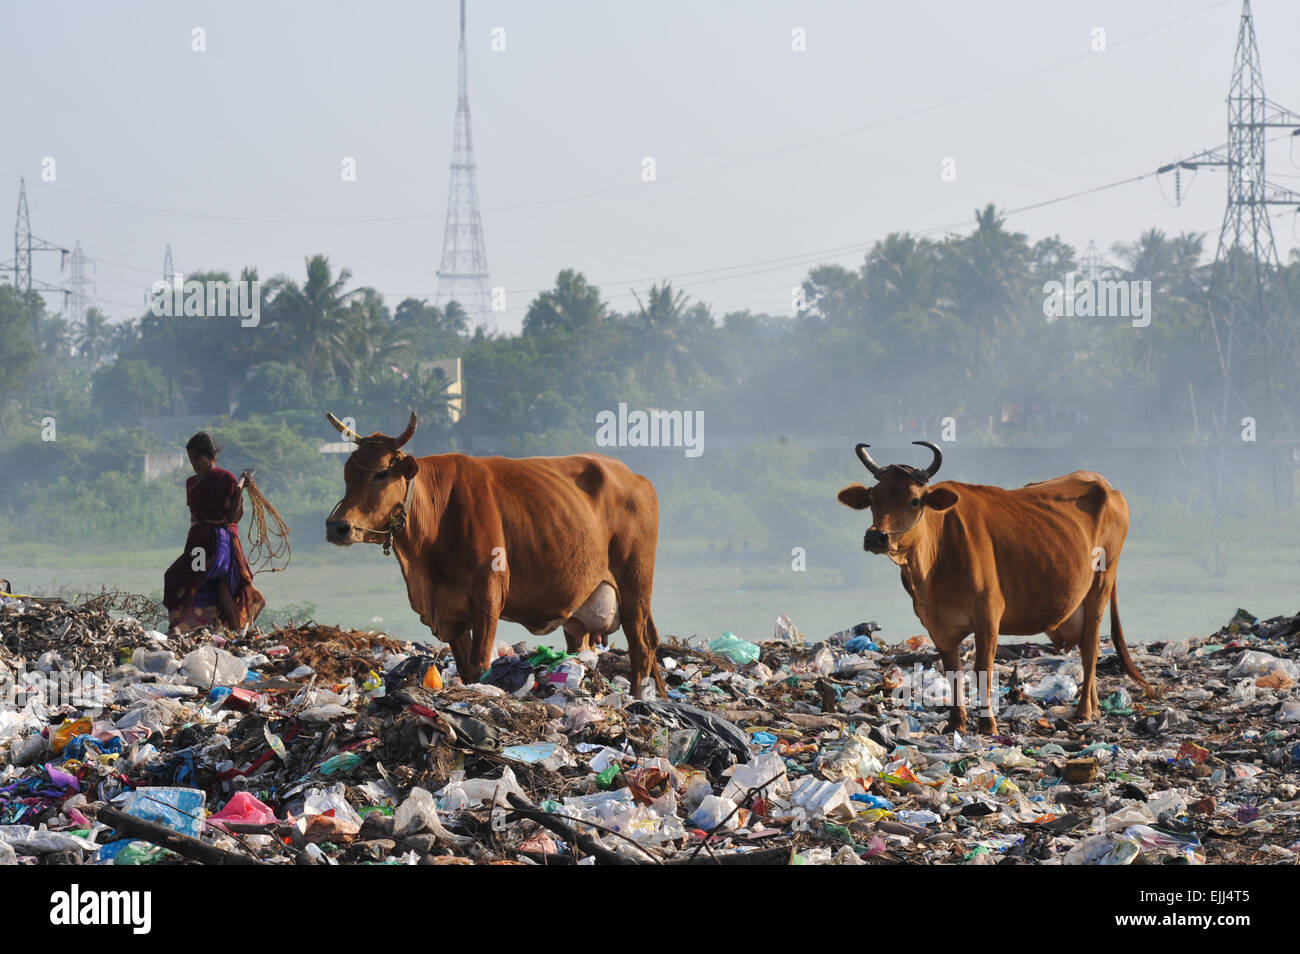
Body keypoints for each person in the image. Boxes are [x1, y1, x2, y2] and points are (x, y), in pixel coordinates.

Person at [162, 432, 265, 635]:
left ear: (210, 456)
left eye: (197, 458)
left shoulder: (224, 478)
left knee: (199, 579)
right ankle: (217, 630)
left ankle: (189, 627)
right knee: (201, 582)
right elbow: (194, 515)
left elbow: (232, 516)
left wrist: (239, 491)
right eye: (191, 459)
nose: (194, 463)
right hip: (198, 541)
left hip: (218, 541)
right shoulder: (191, 482)